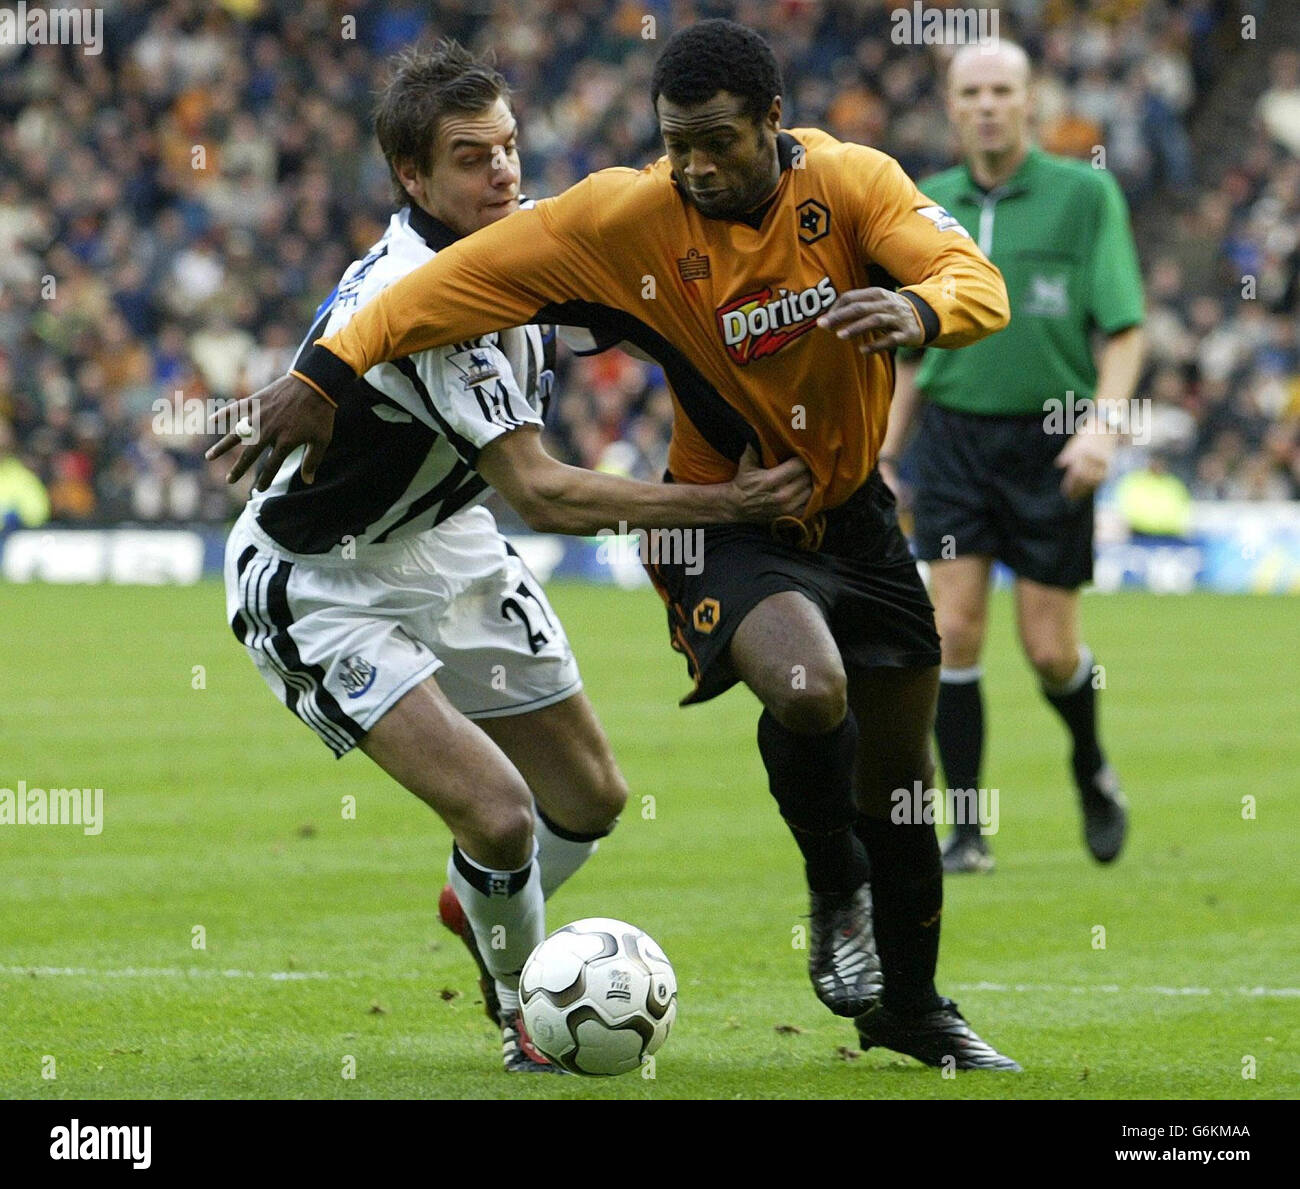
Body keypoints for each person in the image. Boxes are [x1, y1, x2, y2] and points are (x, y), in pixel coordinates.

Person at [212, 20, 1021, 1069]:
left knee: (629, 797)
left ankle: (908, 1006)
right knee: (536, 800)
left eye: (506, 145)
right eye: (470, 156)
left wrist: (919, 309)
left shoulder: (837, 184)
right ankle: (532, 1012)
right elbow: (526, 472)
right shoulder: (595, 228)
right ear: (410, 174)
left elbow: (972, 282)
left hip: (481, 540)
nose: (690, 166)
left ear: (772, 124)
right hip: (342, 573)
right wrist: (318, 376)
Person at [878, 42, 1146, 874]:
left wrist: (1100, 427)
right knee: (952, 631)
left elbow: (1125, 328)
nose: (987, 104)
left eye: (1003, 90)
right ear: (952, 106)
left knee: (1049, 650)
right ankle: (966, 830)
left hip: (1049, 439)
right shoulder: (927, 204)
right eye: (972, 92)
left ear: (1031, 100)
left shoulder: (1083, 192)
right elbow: (913, 351)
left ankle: (1092, 770)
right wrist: (884, 453)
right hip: (953, 439)